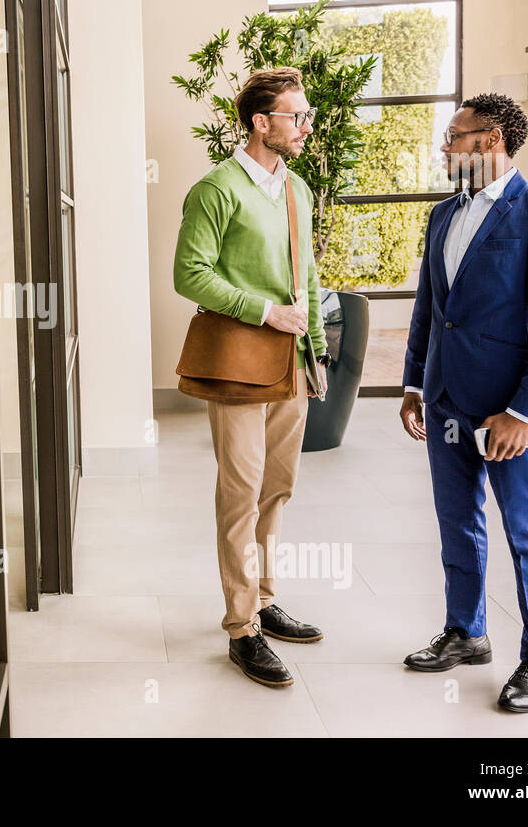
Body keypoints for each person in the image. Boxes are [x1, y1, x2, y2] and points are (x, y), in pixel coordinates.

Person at [399, 93, 528, 713]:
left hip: (510, 413)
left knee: (526, 532)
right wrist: (412, 384)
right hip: (446, 398)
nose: (445, 147)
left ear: (492, 139)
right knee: (457, 523)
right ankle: (466, 631)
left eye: (455, 136)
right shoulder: (441, 216)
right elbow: (431, 308)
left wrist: (525, 413)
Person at [173, 66, 330, 688]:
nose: (306, 127)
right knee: (241, 491)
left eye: (306, 116)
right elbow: (191, 274)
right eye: (296, 117)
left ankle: (265, 599)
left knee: (277, 489)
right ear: (262, 123)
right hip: (240, 365)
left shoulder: (298, 191)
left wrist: (314, 350)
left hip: (290, 365)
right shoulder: (216, 190)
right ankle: (241, 627)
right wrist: (264, 311)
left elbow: (308, 278)